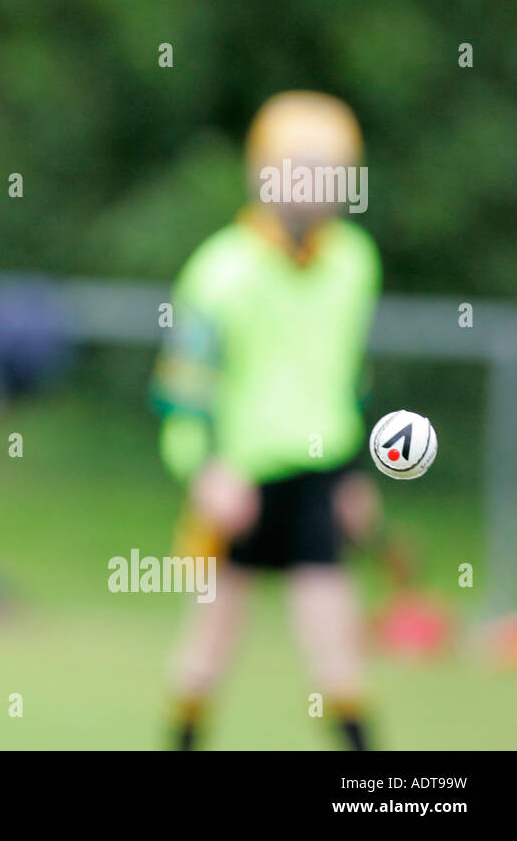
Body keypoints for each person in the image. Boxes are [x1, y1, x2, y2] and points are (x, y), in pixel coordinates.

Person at [151, 91, 383, 750]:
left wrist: (353, 474)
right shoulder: (221, 270)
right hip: (238, 480)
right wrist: (205, 470)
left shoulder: (355, 263)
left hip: (319, 471)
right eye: (300, 168)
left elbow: (348, 378)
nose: (315, 186)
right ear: (266, 172)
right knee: (211, 640)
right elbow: (183, 391)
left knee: (333, 634)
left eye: (330, 171)